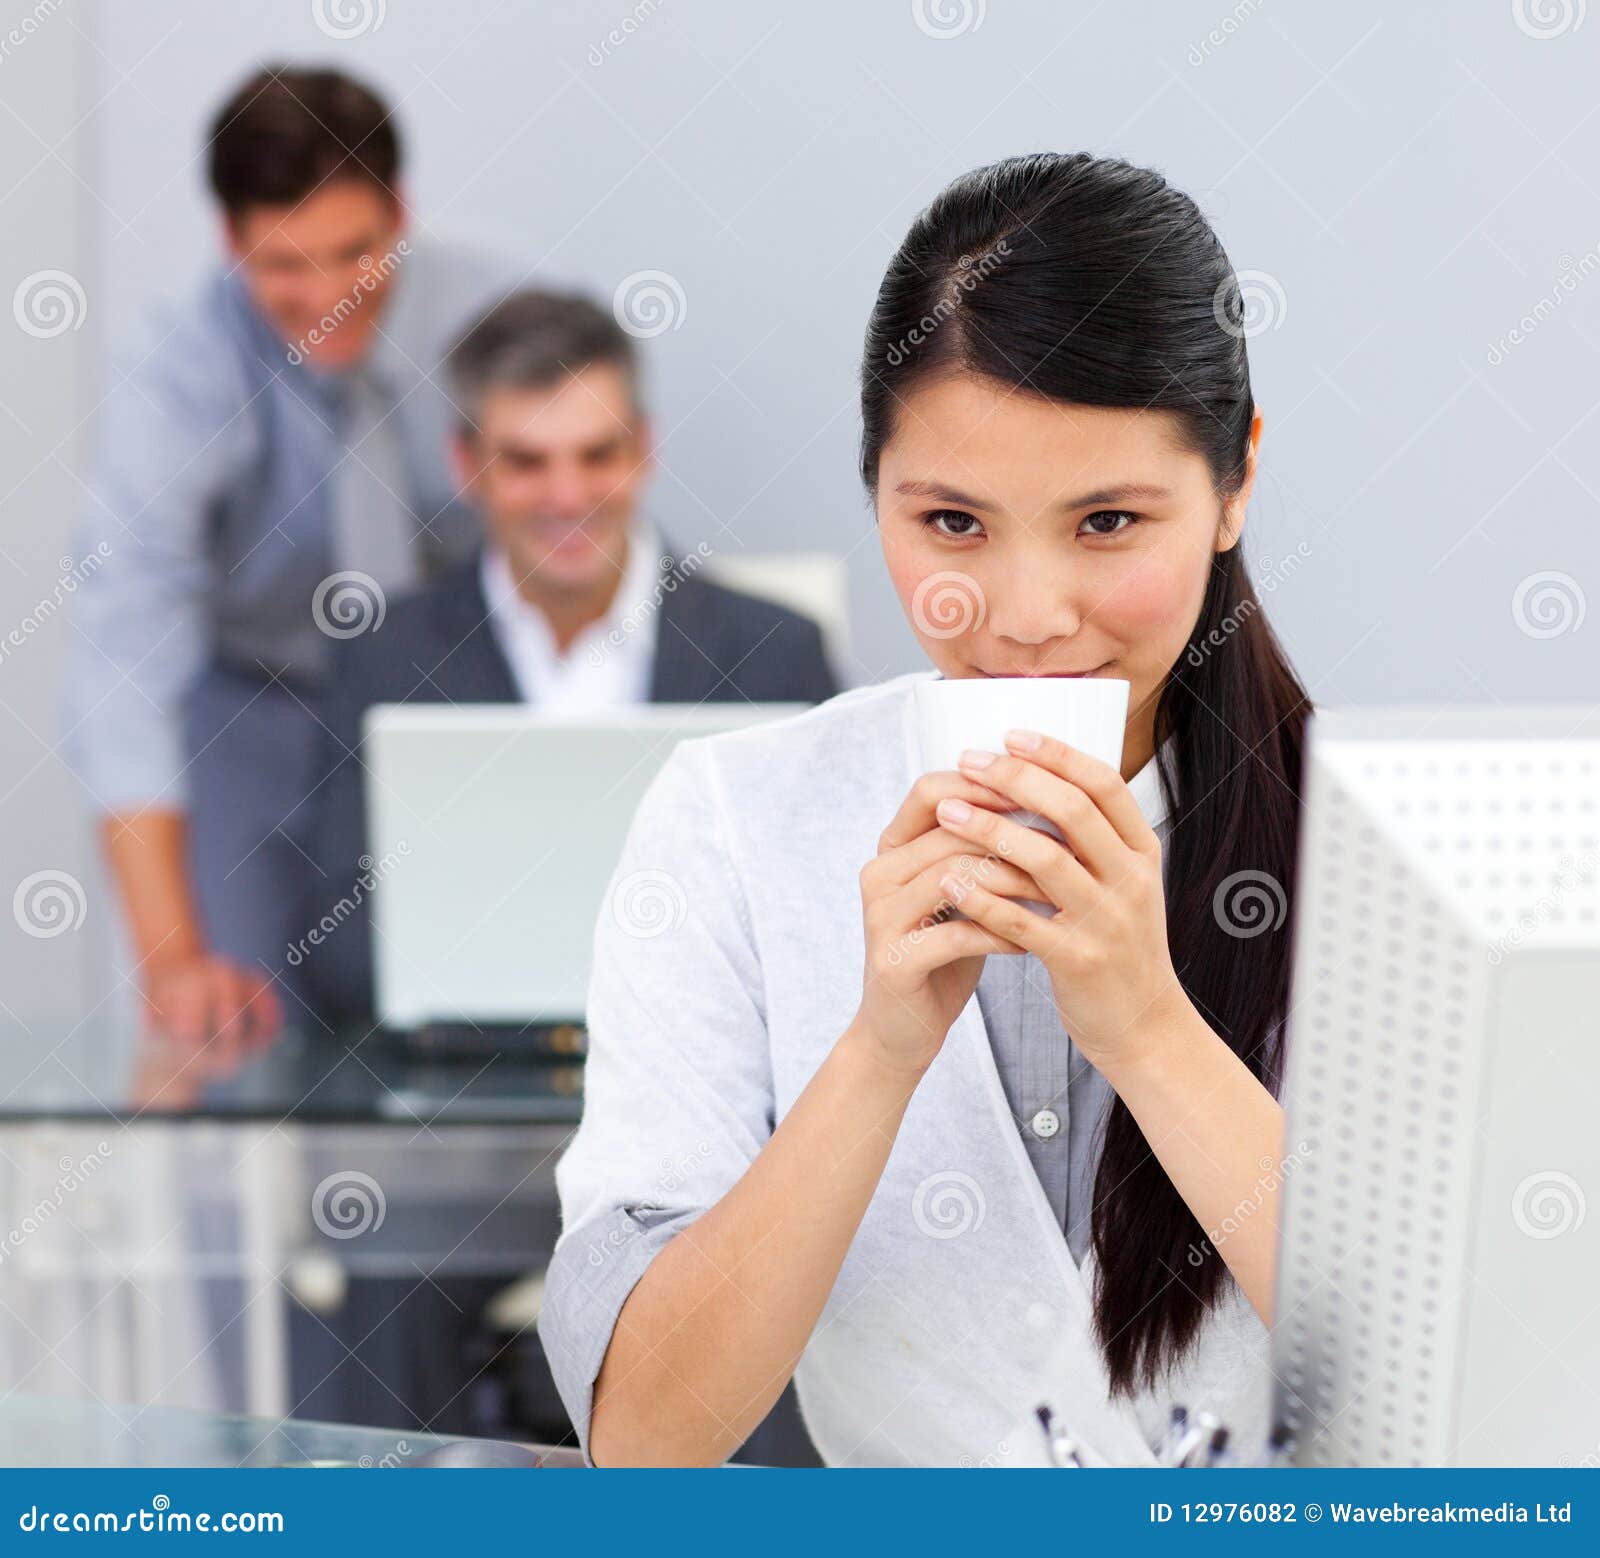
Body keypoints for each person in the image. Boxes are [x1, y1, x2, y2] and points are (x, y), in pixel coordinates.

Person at [539, 151, 1312, 1467]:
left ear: (1235, 477)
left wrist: (1148, 1030)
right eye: (952, 521)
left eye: (1109, 519)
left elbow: (1495, 1386)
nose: (1021, 614)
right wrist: (881, 1048)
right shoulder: (733, 822)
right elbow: (645, 1434)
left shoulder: (1381, 839)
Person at [63, 66, 513, 1044]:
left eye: (354, 252)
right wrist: (173, 959)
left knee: (471, 1019)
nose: (322, 298)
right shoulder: (180, 366)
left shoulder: (496, 322)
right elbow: (124, 649)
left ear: (401, 210)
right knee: (238, 1036)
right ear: (230, 242)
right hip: (253, 712)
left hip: (448, 709)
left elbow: (572, 540)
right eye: (282, 266)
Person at [301, 289, 840, 1025]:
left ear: (643, 449)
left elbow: (825, 921)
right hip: (463, 1098)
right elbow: (337, 948)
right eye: (526, 462)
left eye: (597, 455)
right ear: (467, 465)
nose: (568, 496)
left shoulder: (774, 653)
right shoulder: (385, 661)